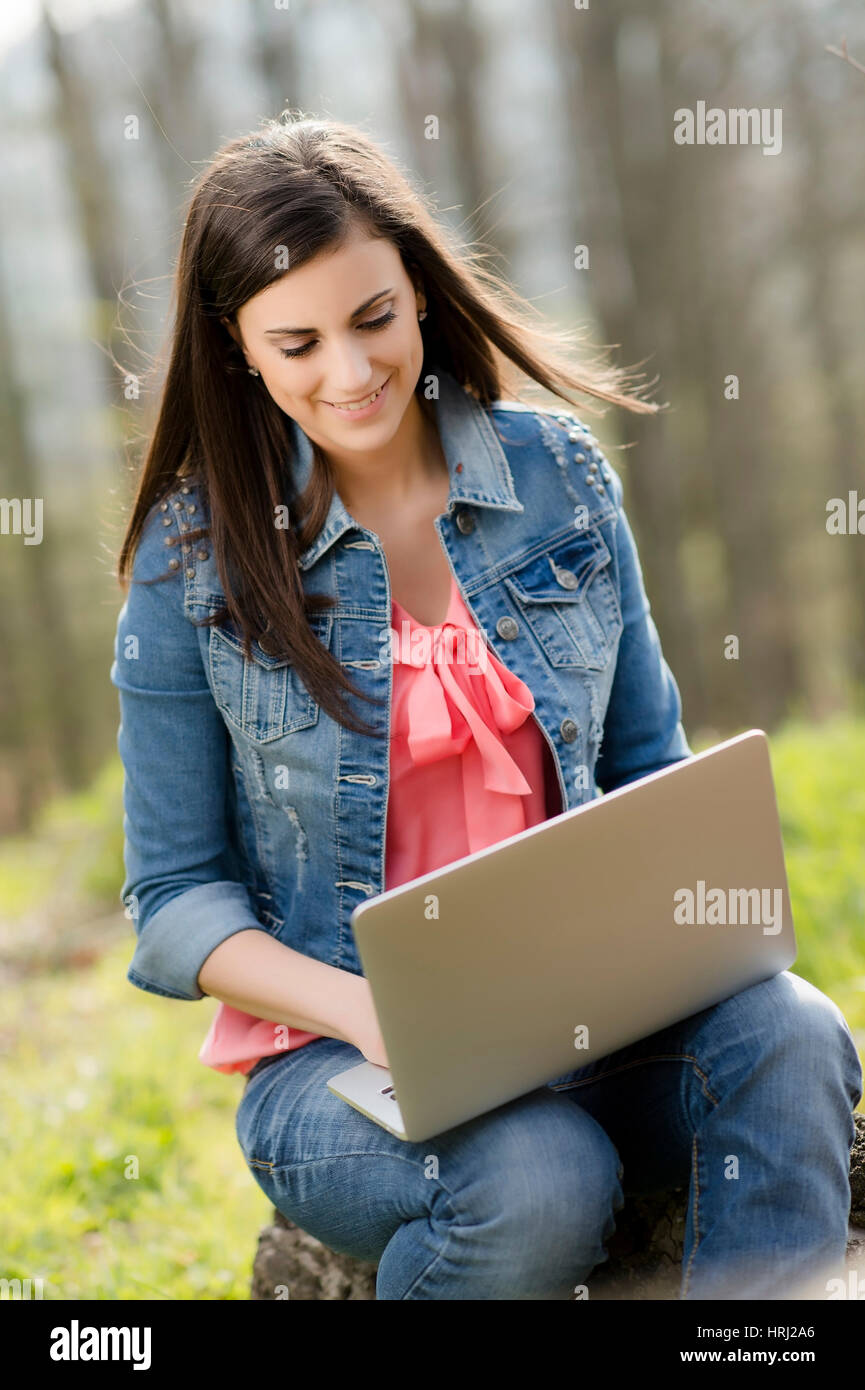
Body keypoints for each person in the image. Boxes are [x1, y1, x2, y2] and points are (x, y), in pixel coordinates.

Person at [110, 113, 862, 1301]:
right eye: (296, 342)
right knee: (537, 1176)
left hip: (593, 1020)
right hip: (338, 1070)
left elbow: (646, 767)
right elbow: (171, 902)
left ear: (416, 290)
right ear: (237, 345)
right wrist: (370, 1014)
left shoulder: (556, 476)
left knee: (795, 1031)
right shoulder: (190, 558)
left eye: (372, 320)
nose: (351, 374)